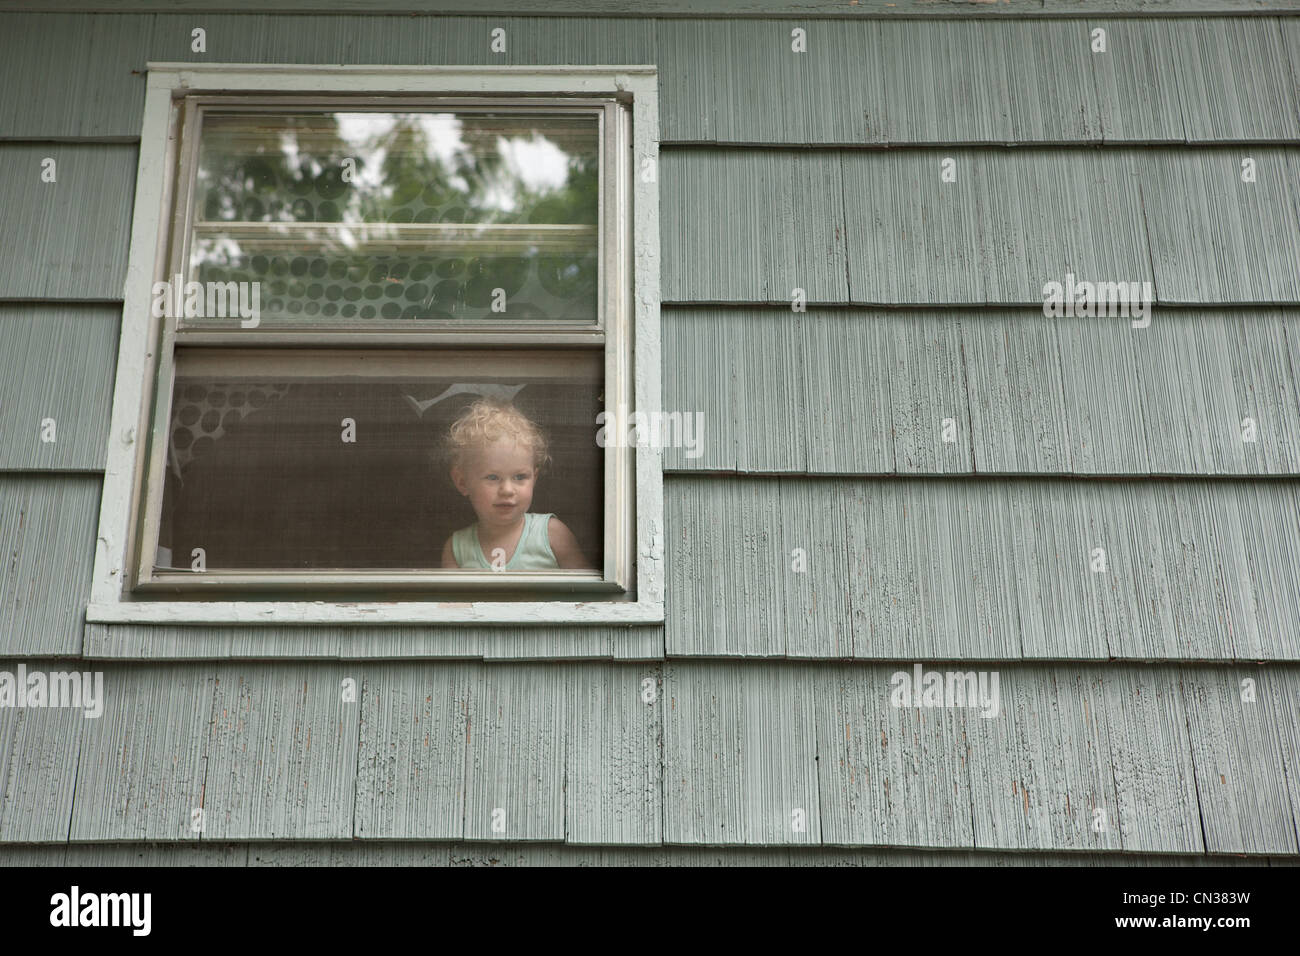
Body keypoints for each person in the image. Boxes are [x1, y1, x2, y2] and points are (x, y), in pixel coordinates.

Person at [440, 399, 591, 570]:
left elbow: (588, 594)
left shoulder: (552, 534)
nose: (507, 490)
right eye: (492, 477)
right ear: (462, 482)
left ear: (534, 478)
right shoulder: (457, 549)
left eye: (520, 477)